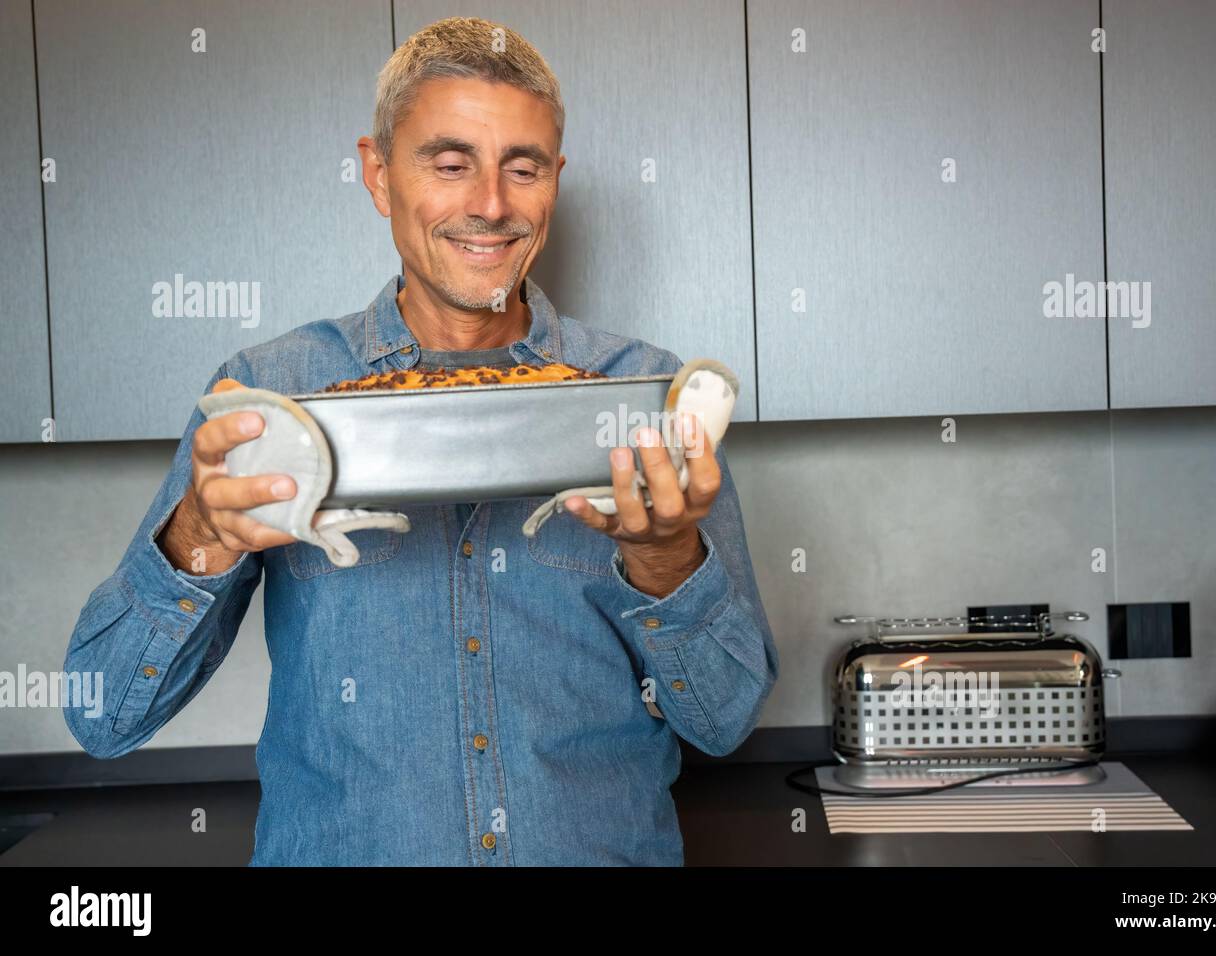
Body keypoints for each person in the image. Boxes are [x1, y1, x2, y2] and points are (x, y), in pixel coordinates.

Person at [62, 16, 778, 866]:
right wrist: (197, 540)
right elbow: (104, 716)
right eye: (449, 164)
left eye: (524, 166)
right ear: (377, 173)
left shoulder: (650, 403)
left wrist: (666, 556)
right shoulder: (270, 396)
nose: (490, 204)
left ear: (555, 178)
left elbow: (725, 720)